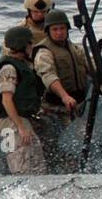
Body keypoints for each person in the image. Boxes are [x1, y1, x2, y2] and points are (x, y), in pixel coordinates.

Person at [33, 10, 91, 171]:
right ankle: (70, 171)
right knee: (69, 146)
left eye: (62, 29)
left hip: (80, 105)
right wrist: (64, 96)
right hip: (57, 109)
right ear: (48, 31)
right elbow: (48, 75)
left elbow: (90, 66)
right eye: (55, 30)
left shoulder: (74, 48)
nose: (59, 33)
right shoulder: (44, 52)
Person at [0, 26, 47, 175]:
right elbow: (6, 100)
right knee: (21, 167)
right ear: (24, 45)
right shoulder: (9, 68)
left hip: (20, 120)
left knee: (37, 165)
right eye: (29, 44)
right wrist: (20, 126)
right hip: (13, 123)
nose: (31, 47)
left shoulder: (21, 66)